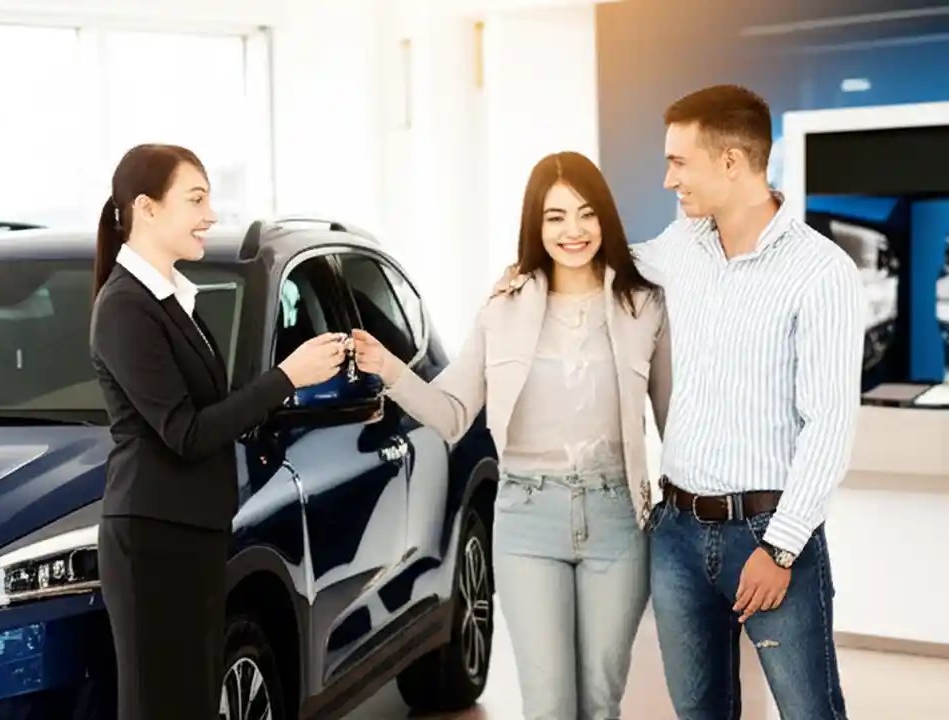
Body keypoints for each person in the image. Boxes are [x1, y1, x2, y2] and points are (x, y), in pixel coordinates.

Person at [494, 85, 864, 719]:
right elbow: (606, 266)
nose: (668, 180)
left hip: (769, 533)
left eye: (679, 162)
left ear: (730, 162)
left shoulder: (820, 271)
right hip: (677, 534)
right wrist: (529, 275)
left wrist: (781, 550)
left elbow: (829, 423)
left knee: (811, 712)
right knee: (699, 713)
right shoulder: (681, 248)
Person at [353, 150, 671, 719]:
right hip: (527, 516)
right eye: (554, 217)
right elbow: (452, 413)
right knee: (548, 704)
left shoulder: (643, 303)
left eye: (585, 213)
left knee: (601, 700)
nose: (572, 231)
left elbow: (675, 422)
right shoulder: (503, 307)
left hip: (618, 514)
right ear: (535, 225)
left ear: (605, 217)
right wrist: (391, 370)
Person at [88, 143, 346, 720]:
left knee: (193, 701)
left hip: (190, 532)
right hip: (153, 540)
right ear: (147, 209)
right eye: (196, 200)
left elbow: (211, 411)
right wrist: (286, 376)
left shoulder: (173, 298)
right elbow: (183, 432)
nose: (210, 215)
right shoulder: (125, 307)